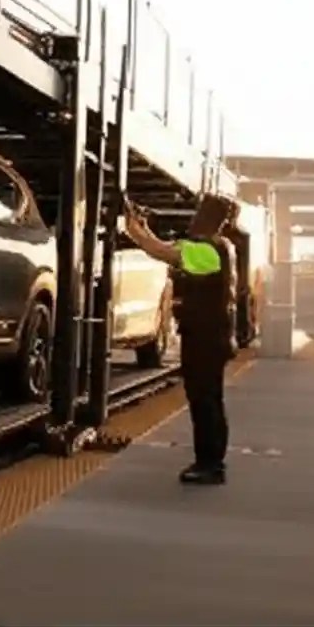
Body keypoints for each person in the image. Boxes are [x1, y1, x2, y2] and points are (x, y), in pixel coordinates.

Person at [123, 194, 237, 485]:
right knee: (208, 399)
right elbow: (163, 247)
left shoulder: (207, 251)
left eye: (199, 213)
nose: (193, 218)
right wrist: (141, 226)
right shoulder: (221, 247)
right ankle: (211, 462)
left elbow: (161, 251)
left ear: (209, 219)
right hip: (211, 337)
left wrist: (134, 229)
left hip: (205, 339)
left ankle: (210, 464)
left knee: (204, 401)